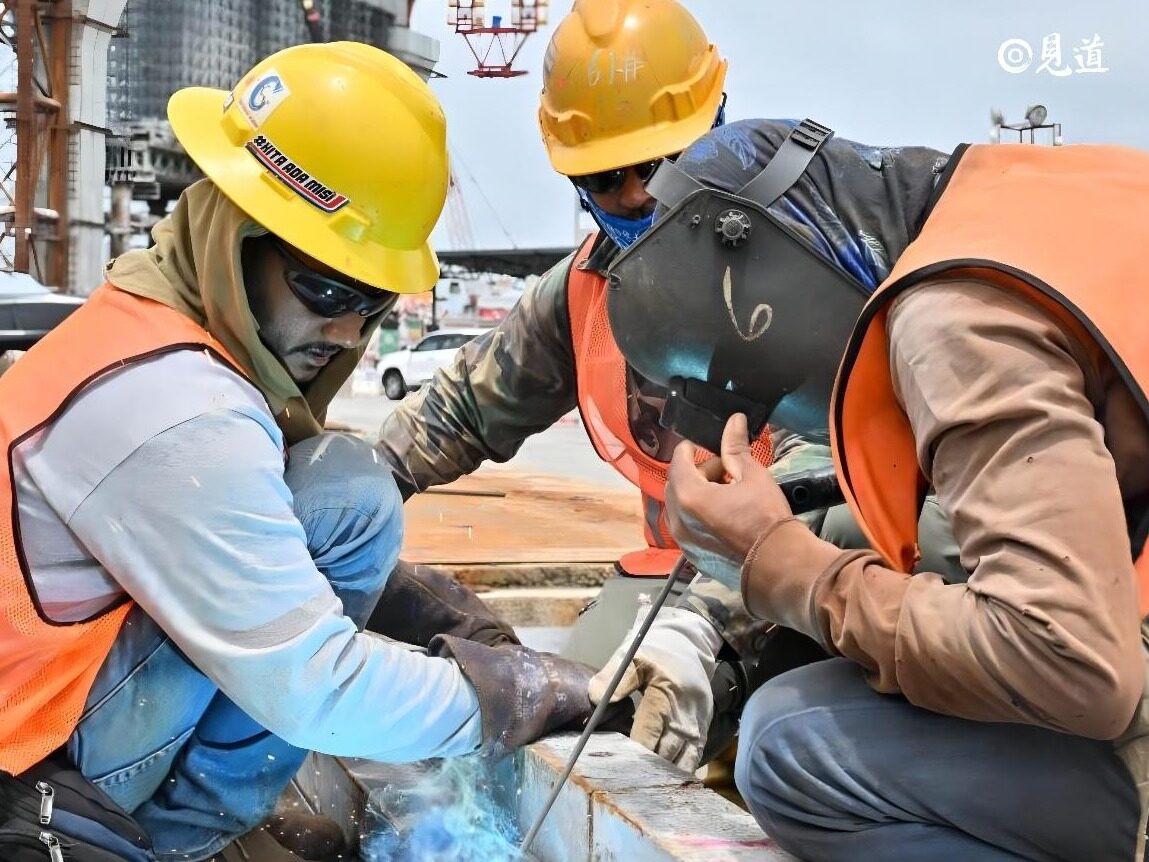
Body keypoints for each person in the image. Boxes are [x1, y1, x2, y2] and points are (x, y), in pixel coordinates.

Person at [0, 43, 604, 862]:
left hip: (47, 713)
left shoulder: (153, 319)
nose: (351, 332)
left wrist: (400, 601)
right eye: (327, 291)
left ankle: (195, 821)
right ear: (236, 235)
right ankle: (174, 839)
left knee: (346, 494)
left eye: (373, 301)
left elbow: (253, 532)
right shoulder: (178, 410)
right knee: (342, 518)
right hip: (31, 764)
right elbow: (315, 685)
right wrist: (510, 695)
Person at [378, 0, 933, 776]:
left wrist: (704, 623)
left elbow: (832, 484)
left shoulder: (814, 273)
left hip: (834, 585)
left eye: (666, 163)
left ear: (720, 129)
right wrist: (359, 491)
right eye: (607, 177)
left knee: (789, 761)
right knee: (585, 729)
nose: (639, 194)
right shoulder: (579, 293)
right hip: (674, 585)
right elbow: (462, 408)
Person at [608, 117, 1149, 859]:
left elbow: (1069, 663)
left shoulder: (955, 310)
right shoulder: (1032, 198)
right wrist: (704, 614)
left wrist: (785, 568)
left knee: (790, 744)